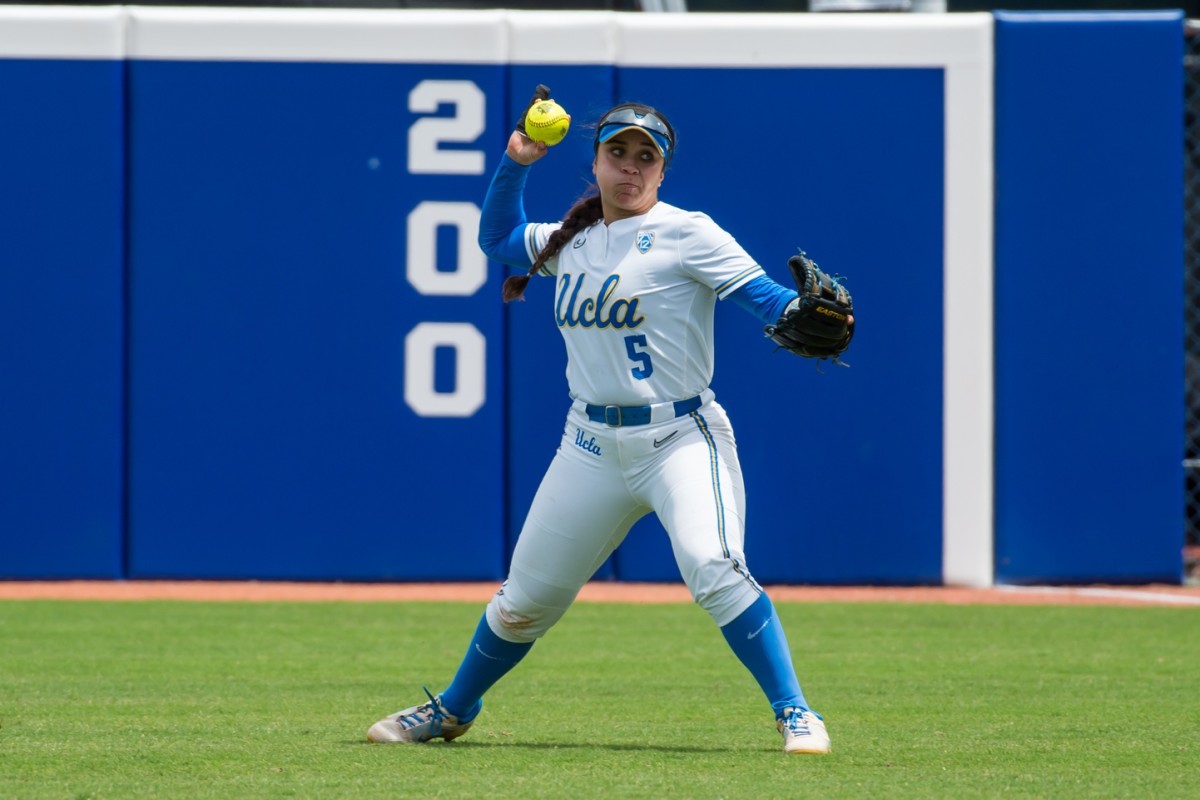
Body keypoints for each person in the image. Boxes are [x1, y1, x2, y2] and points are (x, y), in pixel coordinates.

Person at [367, 97, 839, 755]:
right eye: (618, 151)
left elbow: (765, 298)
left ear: (663, 171)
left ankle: (796, 712)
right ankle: (453, 708)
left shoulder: (689, 232)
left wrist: (803, 310)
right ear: (596, 159)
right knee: (523, 602)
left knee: (713, 563)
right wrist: (515, 163)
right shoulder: (571, 241)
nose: (631, 167)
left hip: (680, 436)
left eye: (647, 156)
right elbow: (499, 238)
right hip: (588, 445)